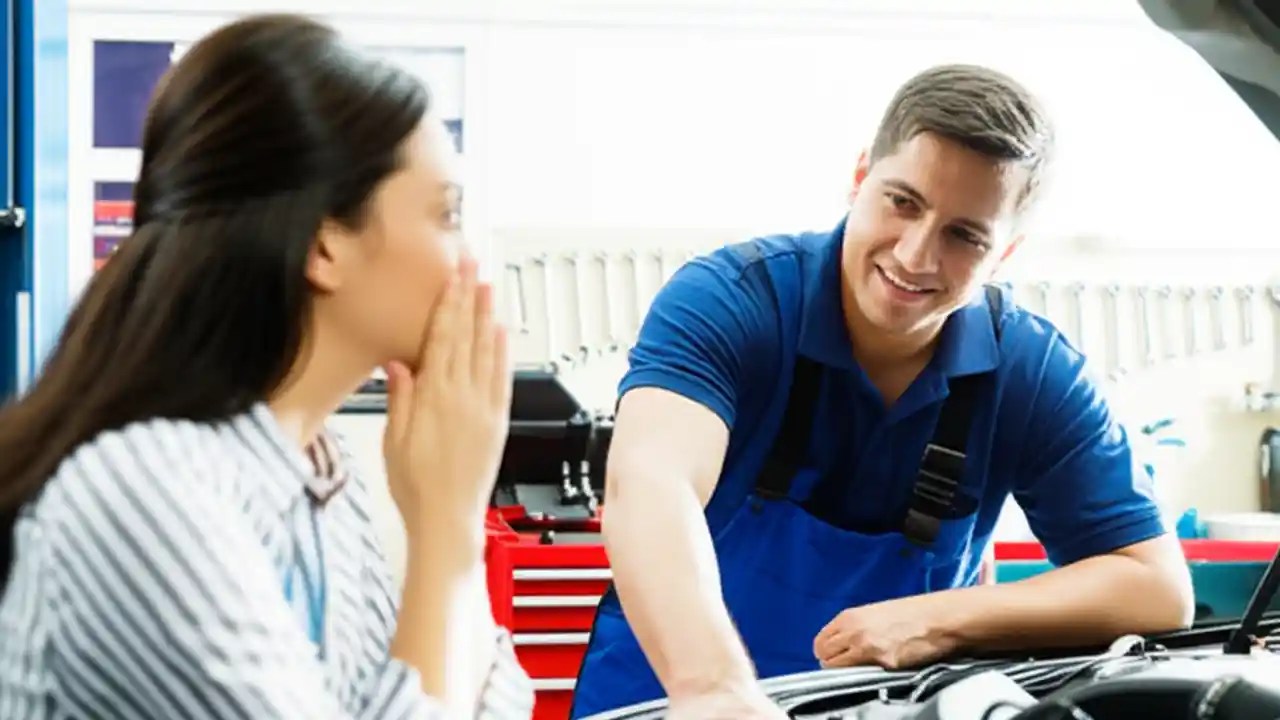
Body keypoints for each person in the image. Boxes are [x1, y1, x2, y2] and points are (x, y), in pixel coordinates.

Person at [570, 64, 1196, 719]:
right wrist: (712, 690)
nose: (916, 256)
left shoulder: (1032, 373)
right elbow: (650, 487)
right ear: (860, 177)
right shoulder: (731, 300)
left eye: (965, 235)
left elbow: (1156, 586)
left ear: (1004, 253)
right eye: (903, 202)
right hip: (670, 704)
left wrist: (941, 618)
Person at [0, 14, 532, 720]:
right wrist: (448, 528)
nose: (469, 262)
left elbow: (490, 698)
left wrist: (451, 533)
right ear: (324, 245)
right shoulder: (146, 489)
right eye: (446, 215)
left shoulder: (320, 478)